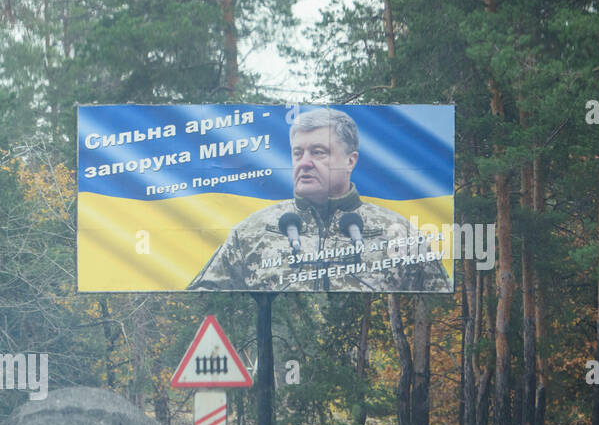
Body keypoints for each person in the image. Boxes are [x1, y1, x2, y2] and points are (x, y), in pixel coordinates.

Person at [187, 107, 451, 292]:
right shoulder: (252, 232)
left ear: (350, 161)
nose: (305, 163)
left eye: (318, 152)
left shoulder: (399, 233)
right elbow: (201, 299)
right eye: (297, 153)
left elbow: (436, 303)